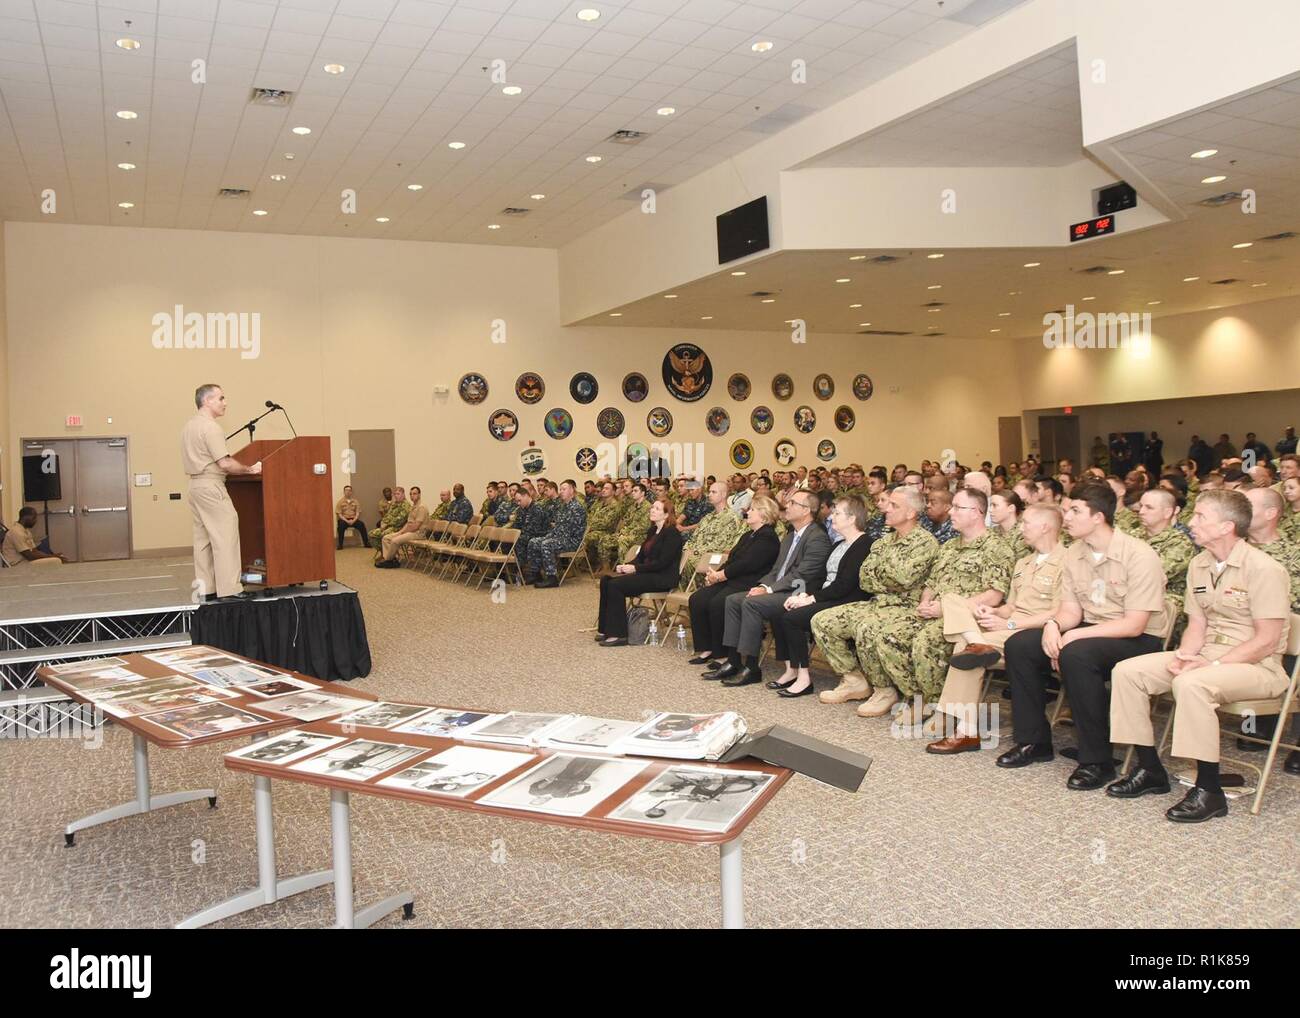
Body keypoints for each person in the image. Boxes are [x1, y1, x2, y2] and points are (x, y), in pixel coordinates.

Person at [1108, 490, 1292, 822]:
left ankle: (1210, 790)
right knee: (1128, 672)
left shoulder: (1264, 568)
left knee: (1193, 684)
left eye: (1200, 517)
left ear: (1226, 526)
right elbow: (1197, 623)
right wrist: (1185, 655)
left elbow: (1267, 640)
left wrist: (1213, 664)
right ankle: (1150, 769)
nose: (1191, 522)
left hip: (1257, 666)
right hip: (1207, 656)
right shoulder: (1200, 563)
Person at [998, 482, 1167, 789]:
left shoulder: (1139, 555)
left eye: (1075, 511)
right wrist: (1053, 626)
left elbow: (1135, 625)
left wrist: (1073, 637)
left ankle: (1097, 761)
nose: (1067, 517)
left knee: (1076, 654)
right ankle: (1034, 741)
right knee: (1020, 644)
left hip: (1137, 638)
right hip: (1090, 629)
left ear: (1098, 517)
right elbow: (1070, 611)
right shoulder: (1076, 553)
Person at [928, 503, 1067, 753]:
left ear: (1045, 527)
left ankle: (966, 731)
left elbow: (1059, 613)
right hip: (1008, 626)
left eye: (1026, 523)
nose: (1021, 528)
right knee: (951, 599)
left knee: (965, 649)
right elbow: (1011, 605)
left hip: (1035, 632)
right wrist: (993, 612)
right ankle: (976, 641)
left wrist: (1009, 622)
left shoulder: (1066, 562)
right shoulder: (1024, 562)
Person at [811, 488, 939, 713]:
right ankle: (854, 681)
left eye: (894, 506)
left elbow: (904, 577)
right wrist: (887, 576)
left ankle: (884, 690)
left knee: (866, 628)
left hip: (906, 608)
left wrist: (882, 574)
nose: (886, 509)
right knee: (822, 621)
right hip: (878, 603)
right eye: (887, 504)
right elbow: (865, 578)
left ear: (910, 513)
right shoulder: (883, 541)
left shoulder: (924, 542)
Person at [705, 491, 831, 686]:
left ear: (806, 510)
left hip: (799, 592)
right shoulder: (791, 536)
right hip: (780, 589)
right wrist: (764, 585)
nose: (786, 506)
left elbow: (801, 575)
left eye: (792, 503)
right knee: (732, 600)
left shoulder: (817, 537)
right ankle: (733, 660)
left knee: (751, 603)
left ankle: (752, 667)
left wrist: (769, 591)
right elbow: (776, 570)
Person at [765, 496, 873, 698]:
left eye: (837, 513)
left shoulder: (865, 545)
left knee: (792, 619)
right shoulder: (839, 544)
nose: (831, 517)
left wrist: (811, 599)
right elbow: (821, 577)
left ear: (852, 518)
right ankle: (792, 670)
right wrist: (804, 593)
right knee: (781, 610)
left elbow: (845, 585)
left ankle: (804, 679)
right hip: (828, 596)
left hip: (846, 601)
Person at [181, 383, 261, 598]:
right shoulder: (211, 427)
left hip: (195, 486)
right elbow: (225, 463)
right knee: (226, 535)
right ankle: (230, 589)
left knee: (203, 540)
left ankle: (206, 589)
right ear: (207, 401)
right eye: (221, 398)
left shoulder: (189, 426)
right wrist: (249, 469)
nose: (225, 403)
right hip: (211, 485)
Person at [686, 497, 781, 666]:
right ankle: (707, 647)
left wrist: (722, 575)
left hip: (748, 582)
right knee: (698, 599)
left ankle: (723, 654)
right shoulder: (748, 535)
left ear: (764, 514)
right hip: (733, 579)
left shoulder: (768, 537)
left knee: (717, 603)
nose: (747, 512)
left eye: (752, 509)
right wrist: (715, 573)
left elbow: (748, 564)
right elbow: (733, 558)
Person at [595, 498, 685, 645]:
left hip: (662, 577)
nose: (652, 510)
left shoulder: (672, 533)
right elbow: (641, 557)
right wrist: (626, 566)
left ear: (666, 514)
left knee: (615, 586)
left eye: (657, 508)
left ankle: (619, 635)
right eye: (652, 507)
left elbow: (662, 563)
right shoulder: (652, 531)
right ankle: (605, 629)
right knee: (606, 580)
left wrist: (635, 568)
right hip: (648, 573)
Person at [1136, 488, 1195, 618]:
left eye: (1149, 508)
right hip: (1131, 595)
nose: (1141, 512)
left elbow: (1153, 576)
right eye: (1141, 506)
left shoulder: (1179, 542)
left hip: (1163, 602)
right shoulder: (1133, 535)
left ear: (1167, 513)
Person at [680, 480, 746, 584]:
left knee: (682, 564)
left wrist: (694, 553)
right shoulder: (708, 517)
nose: (709, 495)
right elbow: (694, 537)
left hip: (711, 560)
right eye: (709, 492)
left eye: (713, 492)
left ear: (724, 494)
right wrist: (687, 550)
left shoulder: (732, 518)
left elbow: (721, 545)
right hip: (695, 557)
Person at [526, 480, 588, 588]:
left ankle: (552, 578)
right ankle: (536, 574)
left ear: (572, 490)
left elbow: (569, 531)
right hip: (561, 538)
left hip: (572, 541)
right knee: (533, 542)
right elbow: (558, 527)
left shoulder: (577, 508)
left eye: (564, 489)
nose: (561, 492)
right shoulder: (563, 507)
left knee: (547, 544)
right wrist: (549, 536)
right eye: (560, 489)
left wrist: (550, 538)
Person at [377, 485, 430, 567]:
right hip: (410, 532)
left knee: (394, 541)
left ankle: (388, 560)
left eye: (415, 494)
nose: (412, 496)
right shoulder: (413, 507)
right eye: (411, 494)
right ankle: (392, 559)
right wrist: (400, 532)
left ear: (419, 495)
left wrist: (402, 533)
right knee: (386, 538)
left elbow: (415, 526)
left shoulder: (422, 507)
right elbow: (408, 523)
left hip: (418, 533)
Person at [583, 480, 625, 571]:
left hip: (607, 532)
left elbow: (607, 523)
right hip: (595, 529)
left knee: (587, 537)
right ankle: (584, 563)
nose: (603, 490)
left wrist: (590, 527)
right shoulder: (600, 503)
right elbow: (590, 515)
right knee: (580, 534)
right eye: (603, 488)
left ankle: (605, 568)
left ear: (613, 492)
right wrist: (589, 525)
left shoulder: (615, 506)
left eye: (607, 488)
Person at [2, 507, 66, 566]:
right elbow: (30, 556)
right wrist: (53, 556)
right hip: (18, 564)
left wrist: (52, 555)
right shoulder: (16, 532)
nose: (35, 520)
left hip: (26, 561)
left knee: (56, 559)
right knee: (56, 561)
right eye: (34, 518)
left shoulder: (26, 531)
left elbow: (35, 551)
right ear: (25, 517)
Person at [368, 486, 410, 564]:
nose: (396, 496)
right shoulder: (394, 504)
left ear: (403, 494)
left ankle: (389, 556)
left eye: (398, 494)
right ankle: (383, 553)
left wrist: (386, 525)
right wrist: (383, 523)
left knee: (383, 535)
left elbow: (400, 520)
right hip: (389, 526)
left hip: (398, 528)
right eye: (395, 494)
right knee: (371, 534)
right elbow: (387, 515)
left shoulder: (406, 505)